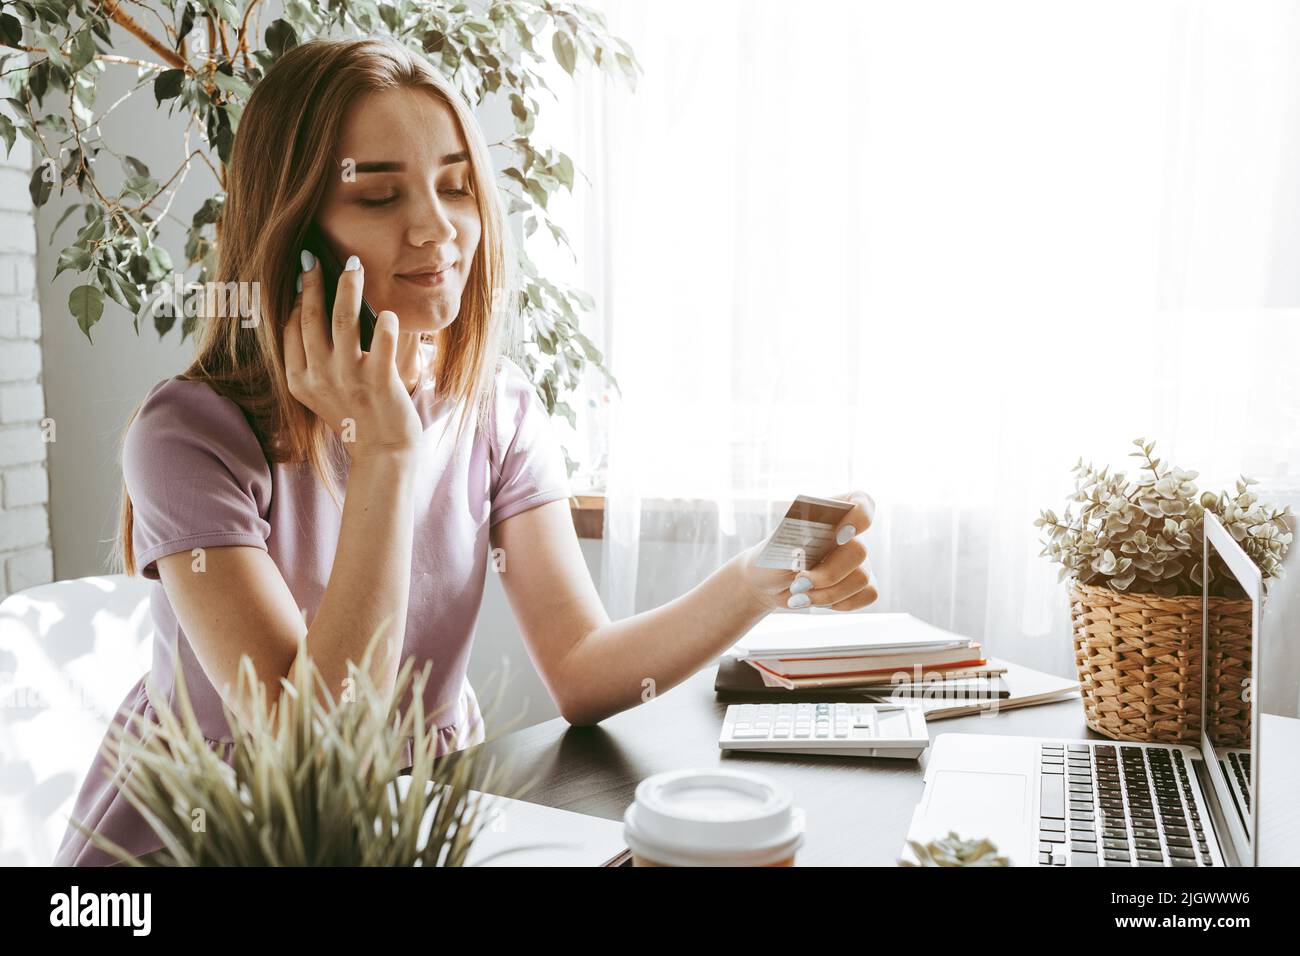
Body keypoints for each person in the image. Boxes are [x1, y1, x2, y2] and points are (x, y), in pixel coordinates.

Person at [53, 37, 877, 866]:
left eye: (456, 186)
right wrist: (386, 454)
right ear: (295, 240)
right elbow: (308, 751)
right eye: (377, 195)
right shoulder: (189, 438)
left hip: (419, 817)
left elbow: (583, 671)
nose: (438, 227)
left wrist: (768, 572)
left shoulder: (499, 408)